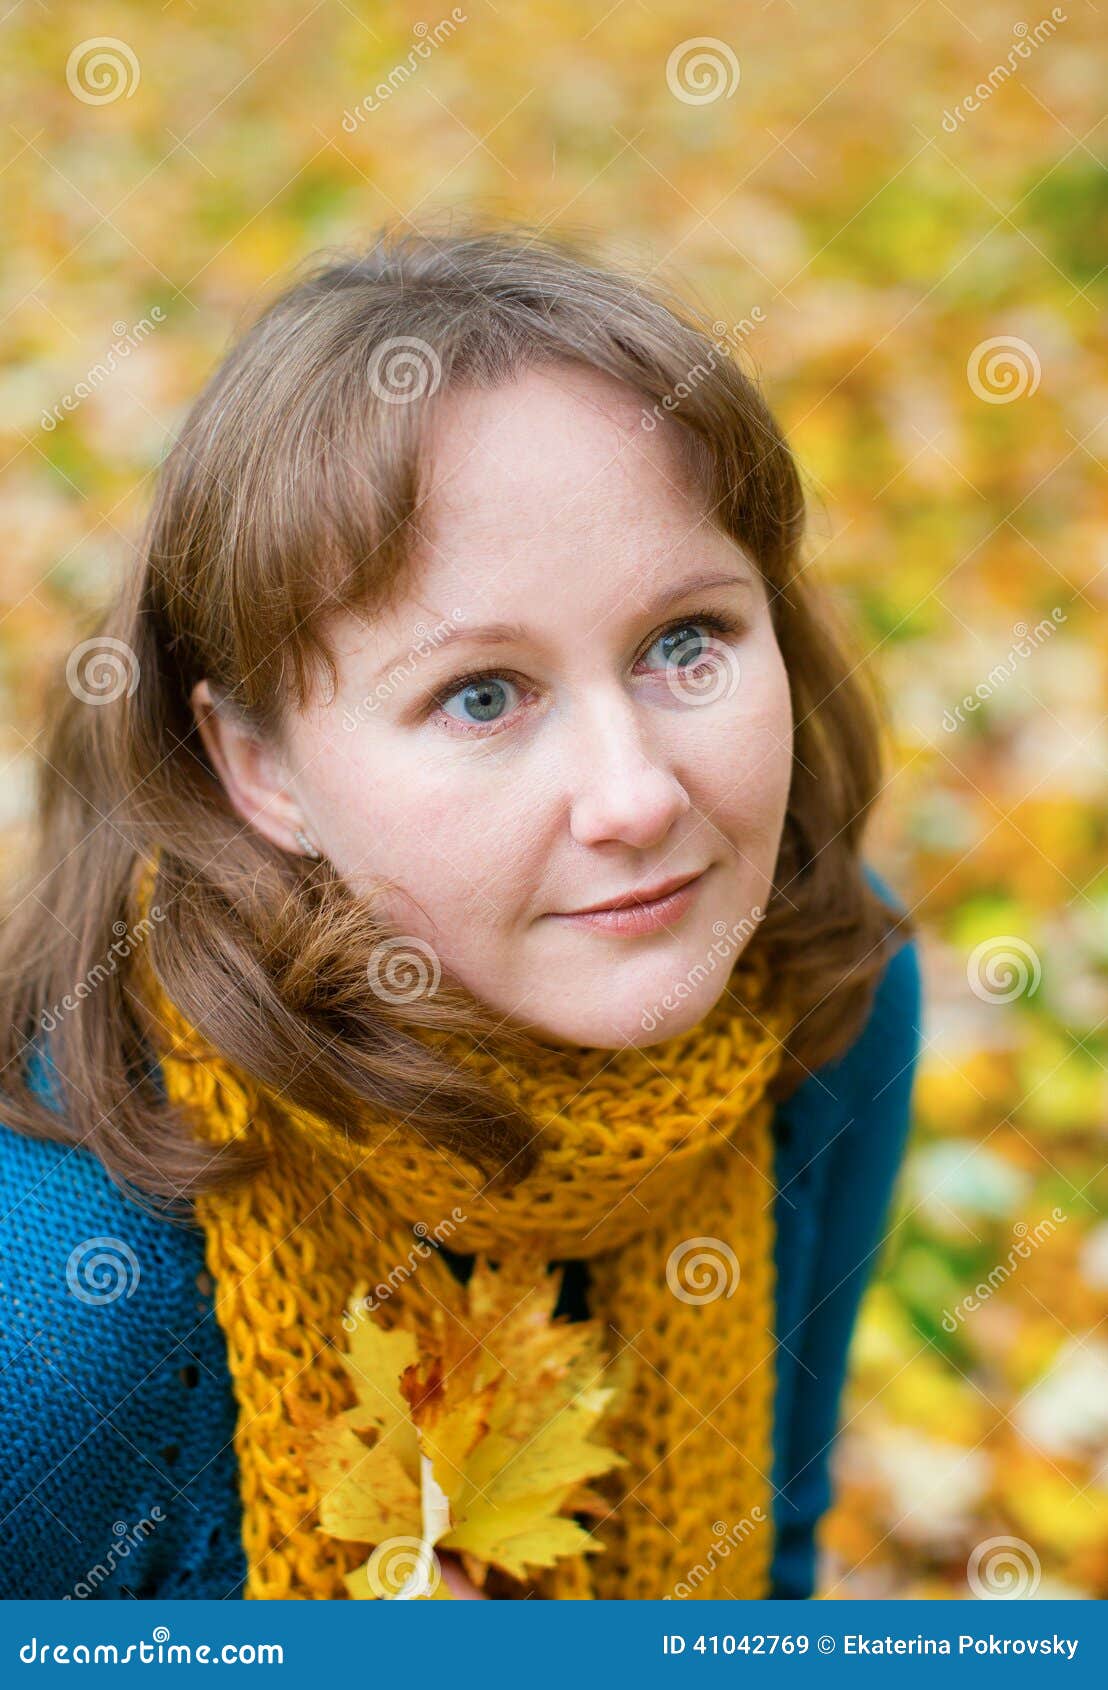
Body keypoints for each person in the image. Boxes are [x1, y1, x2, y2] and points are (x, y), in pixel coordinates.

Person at [0, 219, 921, 1601]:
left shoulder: (819, 989)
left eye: (687, 641)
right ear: (260, 770)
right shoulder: (75, 1309)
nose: (633, 798)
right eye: (482, 695)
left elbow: (763, 1567)